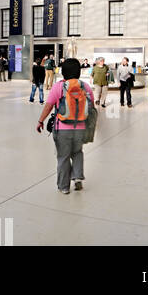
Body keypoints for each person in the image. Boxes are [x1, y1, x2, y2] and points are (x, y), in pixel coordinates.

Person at [37, 58, 94, 194]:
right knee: (77, 152)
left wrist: (40, 121)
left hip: (62, 129)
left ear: (63, 72)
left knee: (63, 157)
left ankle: (64, 187)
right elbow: (91, 108)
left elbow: (49, 106)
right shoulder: (85, 87)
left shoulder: (59, 86)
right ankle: (78, 177)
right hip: (80, 128)